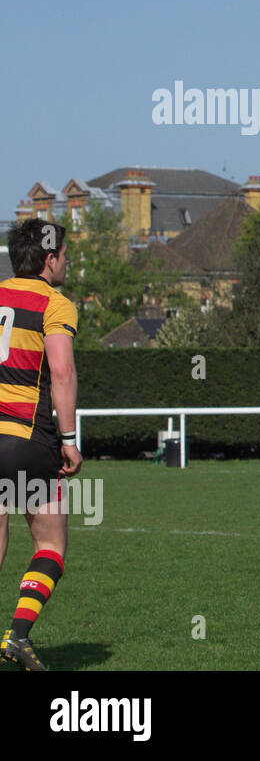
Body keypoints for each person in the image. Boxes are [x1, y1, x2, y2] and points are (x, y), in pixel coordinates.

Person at [0, 220, 83, 671]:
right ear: (49, 260)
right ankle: (18, 634)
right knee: (50, 544)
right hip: (27, 441)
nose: (66, 261)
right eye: (65, 254)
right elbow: (63, 374)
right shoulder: (55, 303)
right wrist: (69, 440)